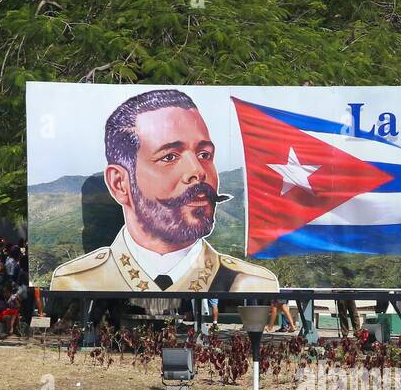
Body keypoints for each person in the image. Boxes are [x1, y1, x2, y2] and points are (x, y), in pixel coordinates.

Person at [48, 89, 279, 295]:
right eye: (169, 157)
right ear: (120, 183)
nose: (198, 172)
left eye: (204, 155)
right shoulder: (77, 282)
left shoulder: (253, 283)